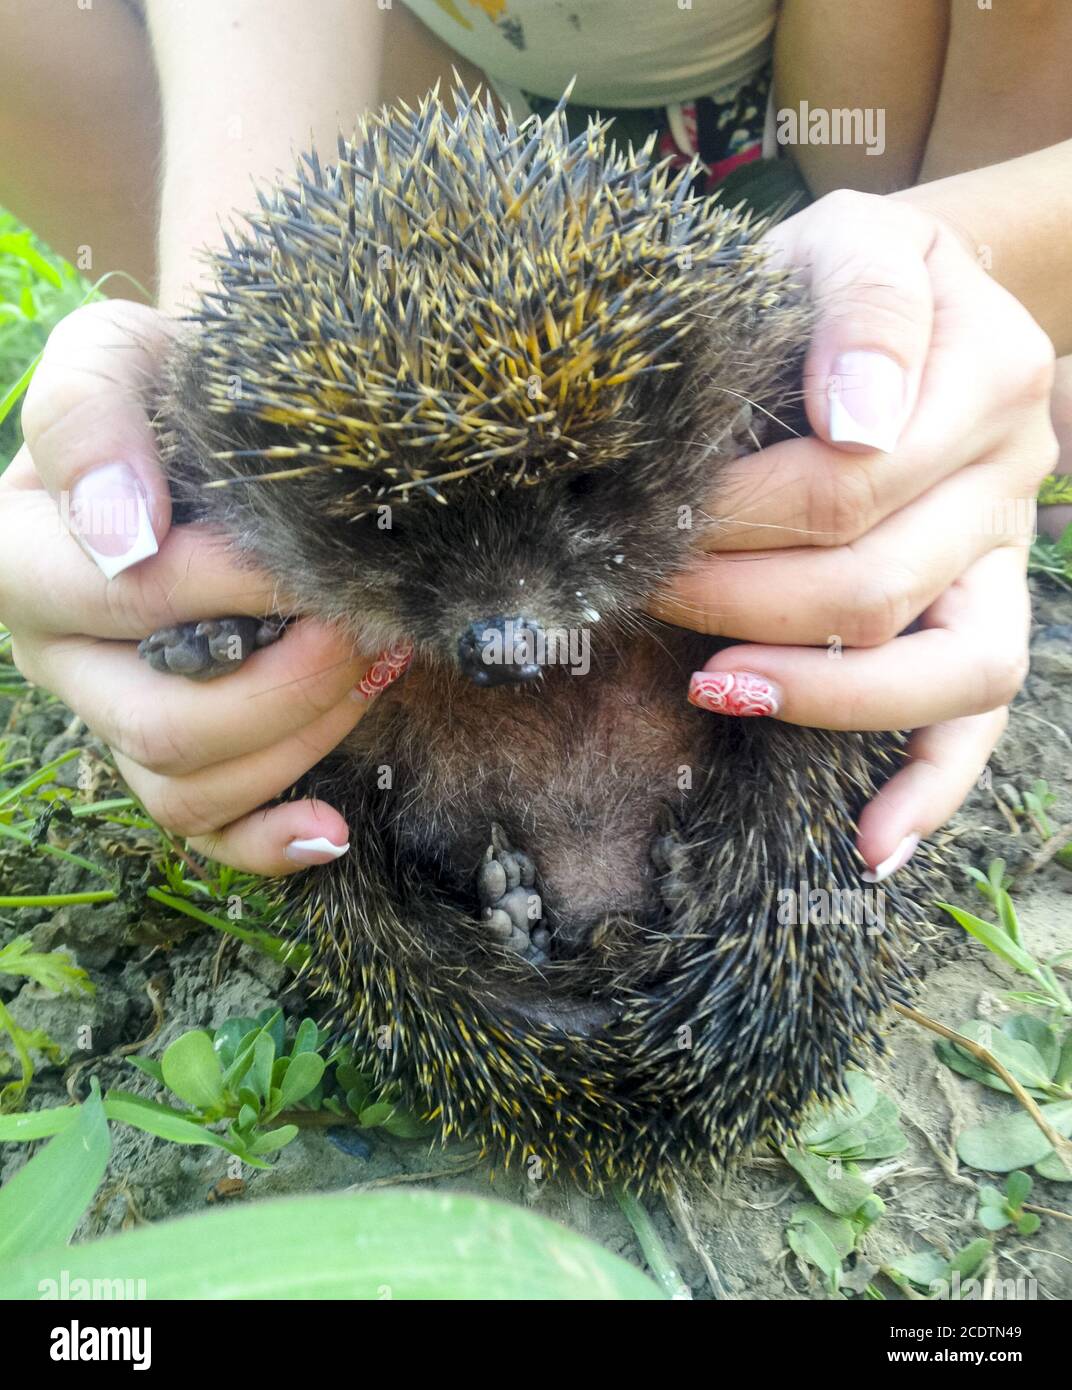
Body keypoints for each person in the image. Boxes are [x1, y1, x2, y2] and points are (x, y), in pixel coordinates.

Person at [0, 0, 1067, 880]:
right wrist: (191, 429)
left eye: (579, 494)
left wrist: (945, 300)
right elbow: (246, 306)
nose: (510, 639)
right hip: (408, 119)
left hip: (879, 157)